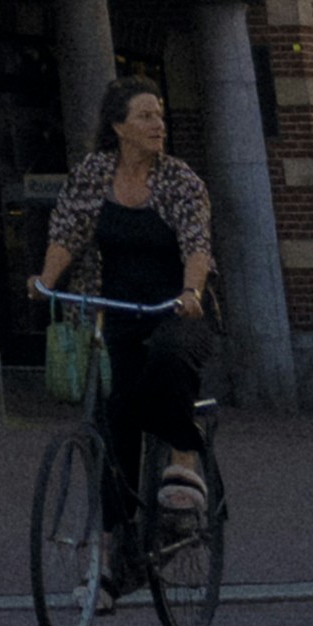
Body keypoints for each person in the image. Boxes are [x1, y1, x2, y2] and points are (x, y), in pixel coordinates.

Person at [35, 64, 213, 562]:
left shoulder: (180, 180)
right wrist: (46, 283)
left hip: (175, 309)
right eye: (145, 116)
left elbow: (197, 242)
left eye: (160, 115)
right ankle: (118, 551)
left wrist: (191, 290)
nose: (159, 124)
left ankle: (183, 456)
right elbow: (68, 231)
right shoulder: (93, 174)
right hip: (112, 310)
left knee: (169, 355)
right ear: (118, 126)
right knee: (111, 421)